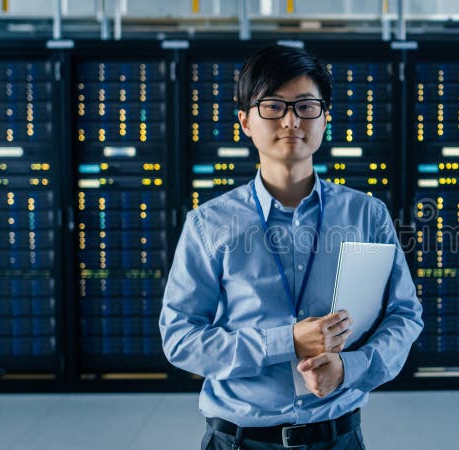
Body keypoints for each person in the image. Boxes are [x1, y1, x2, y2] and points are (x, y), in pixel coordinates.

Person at [159, 44, 423, 450]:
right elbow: (180, 338)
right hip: (239, 440)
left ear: (325, 117)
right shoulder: (209, 224)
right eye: (273, 106)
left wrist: (349, 367)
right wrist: (287, 342)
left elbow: (404, 315)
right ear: (245, 121)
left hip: (338, 437)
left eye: (305, 106)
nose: (290, 120)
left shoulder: (367, 215)